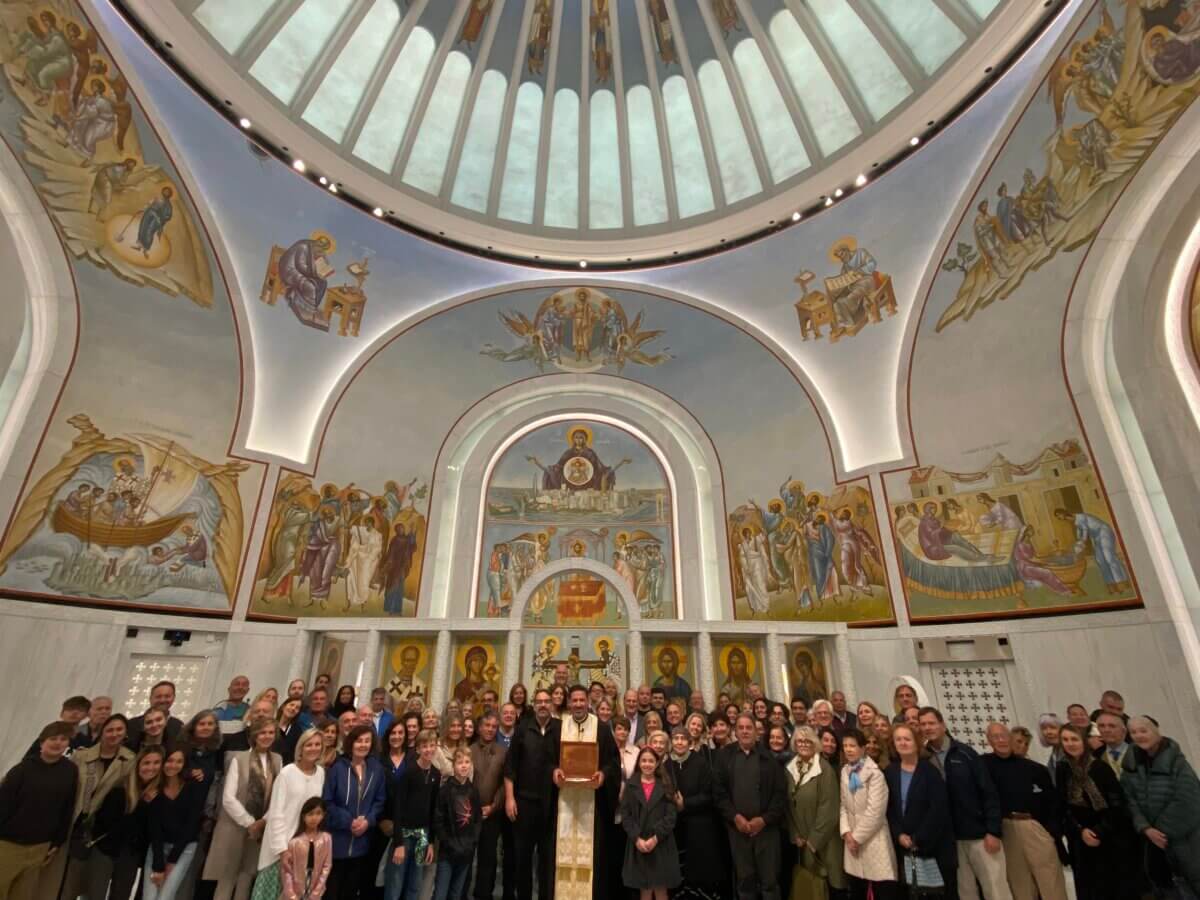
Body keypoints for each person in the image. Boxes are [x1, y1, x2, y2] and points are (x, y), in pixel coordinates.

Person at [916, 707, 1008, 900]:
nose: (927, 728)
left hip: (980, 836)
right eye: (923, 724)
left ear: (942, 725)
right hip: (951, 841)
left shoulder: (965, 753)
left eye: (931, 723)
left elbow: (988, 791)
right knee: (966, 893)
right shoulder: (923, 758)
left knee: (995, 890)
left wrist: (993, 831)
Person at [980, 722, 1066, 900]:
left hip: (1035, 827)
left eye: (1004, 736)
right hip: (1006, 829)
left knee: (1051, 883)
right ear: (988, 740)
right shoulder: (982, 766)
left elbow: (1053, 803)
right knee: (1020, 885)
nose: (1001, 740)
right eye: (995, 737)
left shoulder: (1036, 769)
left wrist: (1051, 832)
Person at [1054, 724, 1140, 900]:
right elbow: (1063, 805)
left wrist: (1099, 831)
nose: (1070, 744)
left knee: (1115, 888)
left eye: (1074, 739)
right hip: (1079, 837)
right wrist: (1080, 831)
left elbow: (1118, 806)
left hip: (1109, 835)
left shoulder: (1100, 767)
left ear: (1084, 741)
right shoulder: (1062, 768)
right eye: (1065, 740)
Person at [0, 722, 80, 900]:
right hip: (8, 844)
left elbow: (67, 807)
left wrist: (57, 841)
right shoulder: (22, 769)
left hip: (40, 846)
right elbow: (3, 805)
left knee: (23, 895)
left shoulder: (70, 771)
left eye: (63, 739)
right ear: (42, 742)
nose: (58, 743)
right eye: (53, 738)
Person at [204, 719, 282, 900]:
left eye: (271, 732)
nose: (267, 736)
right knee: (226, 878)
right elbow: (228, 798)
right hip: (235, 825)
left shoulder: (277, 760)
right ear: (254, 735)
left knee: (246, 878)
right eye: (262, 733)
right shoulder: (238, 758)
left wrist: (262, 822)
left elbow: (278, 795)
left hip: (260, 829)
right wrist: (250, 822)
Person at [1121, 715, 1200, 896]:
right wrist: (1145, 828)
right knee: (1169, 889)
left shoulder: (1177, 763)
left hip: (1188, 840)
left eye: (1143, 730)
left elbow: (1188, 799)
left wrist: (1160, 831)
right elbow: (1129, 800)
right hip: (1153, 843)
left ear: (1156, 731)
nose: (1139, 735)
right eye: (1134, 732)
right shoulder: (1130, 766)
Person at [713, 713, 787, 900]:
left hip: (766, 830)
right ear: (735, 732)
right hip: (737, 830)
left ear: (756, 732)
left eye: (749, 728)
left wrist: (763, 820)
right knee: (745, 883)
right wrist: (735, 818)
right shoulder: (724, 756)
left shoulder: (769, 758)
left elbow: (780, 794)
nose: (745, 731)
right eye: (741, 728)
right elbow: (719, 793)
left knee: (770, 883)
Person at [62, 713, 135, 899]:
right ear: (102, 732)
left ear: (125, 733)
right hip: (77, 825)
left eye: (119, 729)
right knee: (68, 885)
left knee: (95, 887)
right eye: (110, 730)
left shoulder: (129, 760)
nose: (114, 734)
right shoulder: (81, 755)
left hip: (103, 831)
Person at [252, 728, 326, 900]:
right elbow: (276, 813)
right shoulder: (287, 773)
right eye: (309, 744)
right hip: (281, 846)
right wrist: (282, 849)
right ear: (301, 748)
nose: (313, 748)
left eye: (317, 745)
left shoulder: (321, 773)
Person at [884, 724, 955, 895]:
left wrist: (918, 838)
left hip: (930, 846)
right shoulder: (890, 772)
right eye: (898, 739)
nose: (903, 743)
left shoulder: (930, 771)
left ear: (916, 743)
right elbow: (889, 809)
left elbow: (938, 809)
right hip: (902, 845)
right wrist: (899, 834)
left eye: (907, 739)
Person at [504, 688, 559, 900]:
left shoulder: (560, 729)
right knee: (523, 858)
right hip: (524, 803)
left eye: (547, 701)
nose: (543, 705)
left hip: (551, 804)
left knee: (547, 859)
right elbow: (510, 767)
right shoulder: (522, 729)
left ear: (551, 705)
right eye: (539, 701)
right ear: (534, 705)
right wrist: (510, 798)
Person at [89, 745, 163, 900]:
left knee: (121, 895)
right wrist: (144, 805)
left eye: (156, 763)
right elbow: (115, 826)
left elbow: (150, 830)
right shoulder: (120, 789)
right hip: (106, 849)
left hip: (130, 854)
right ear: (138, 765)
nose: (151, 767)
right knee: (94, 894)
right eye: (146, 763)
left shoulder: (158, 794)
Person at [323, 725, 386, 900]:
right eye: (359, 741)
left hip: (361, 844)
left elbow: (379, 801)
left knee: (350, 892)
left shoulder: (376, 769)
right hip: (337, 841)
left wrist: (368, 821)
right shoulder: (337, 768)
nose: (363, 745)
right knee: (332, 892)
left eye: (367, 741)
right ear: (351, 742)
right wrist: (348, 821)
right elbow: (327, 801)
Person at [667, 726, 727, 900]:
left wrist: (685, 803)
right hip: (675, 826)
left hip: (699, 826)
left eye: (683, 739)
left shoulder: (700, 763)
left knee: (700, 873)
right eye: (676, 738)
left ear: (689, 742)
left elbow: (709, 795)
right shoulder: (666, 765)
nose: (679, 742)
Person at [785, 725, 845, 900]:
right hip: (802, 840)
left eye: (808, 741)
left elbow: (829, 808)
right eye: (800, 741)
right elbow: (787, 806)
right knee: (811, 887)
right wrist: (795, 834)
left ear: (815, 744)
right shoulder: (789, 768)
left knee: (831, 884)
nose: (803, 744)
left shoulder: (824, 770)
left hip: (825, 839)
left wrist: (814, 840)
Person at [839, 729, 897, 899]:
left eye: (852, 746)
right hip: (851, 841)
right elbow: (843, 805)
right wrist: (846, 832)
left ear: (863, 748)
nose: (848, 749)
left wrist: (856, 838)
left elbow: (875, 812)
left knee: (880, 890)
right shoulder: (845, 771)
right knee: (857, 889)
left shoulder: (875, 773)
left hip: (873, 839)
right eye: (845, 746)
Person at [144, 745, 207, 900]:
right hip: (158, 846)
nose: (173, 765)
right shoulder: (154, 789)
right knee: (149, 896)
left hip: (184, 847)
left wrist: (172, 860)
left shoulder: (193, 785)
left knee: (166, 896)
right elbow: (154, 829)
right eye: (170, 760)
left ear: (185, 764)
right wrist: (159, 865)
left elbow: (191, 825)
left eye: (179, 761)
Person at [621, 746, 682, 900]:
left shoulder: (666, 784)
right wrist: (637, 838)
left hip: (661, 843)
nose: (647, 764)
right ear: (638, 763)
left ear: (657, 763)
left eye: (651, 761)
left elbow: (671, 816)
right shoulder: (631, 785)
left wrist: (655, 838)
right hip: (639, 843)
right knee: (645, 891)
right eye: (644, 761)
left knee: (661, 890)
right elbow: (626, 815)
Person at [385, 729, 440, 900]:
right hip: (404, 834)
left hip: (423, 835)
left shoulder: (436, 774)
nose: (428, 749)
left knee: (415, 882)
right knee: (396, 881)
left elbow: (433, 809)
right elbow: (398, 807)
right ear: (417, 749)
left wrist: (430, 842)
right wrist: (398, 843)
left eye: (432, 745)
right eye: (424, 746)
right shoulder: (408, 772)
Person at [471, 712, 512, 900]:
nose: (490, 729)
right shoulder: (469, 750)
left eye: (494, 726)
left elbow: (505, 783)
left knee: (488, 858)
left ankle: (484, 894)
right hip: (470, 814)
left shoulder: (503, 752)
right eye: (487, 725)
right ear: (480, 728)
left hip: (493, 814)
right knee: (466, 857)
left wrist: (493, 806)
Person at [433, 748, 481, 900]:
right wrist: (447, 842)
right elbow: (438, 820)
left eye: (467, 762)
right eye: (460, 762)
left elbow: (477, 819)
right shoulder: (445, 790)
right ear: (453, 765)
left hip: (466, 851)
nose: (464, 766)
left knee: (456, 893)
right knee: (441, 893)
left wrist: (472, 842)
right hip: (448, 852)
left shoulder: (473, 791)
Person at [282, 797, 332, 900]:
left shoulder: (326, 839)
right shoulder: (294, 842)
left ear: (323, 815)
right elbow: (287, 871)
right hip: (295, 893)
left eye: (318, 813)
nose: (314, 818)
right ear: (303, 816)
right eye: (310, 814)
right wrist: (291, 895)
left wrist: (315, 894)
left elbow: (326, 866)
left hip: (315, 892)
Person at [128, 681, 185, 746]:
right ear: (150, 699)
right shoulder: (131, 725)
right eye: (158, 696)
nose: (162, 700)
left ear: (173, 698)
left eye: (167, 696)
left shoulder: (179, 727)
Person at [1093, 712, 1130, 779]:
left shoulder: (1138, 752)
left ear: (1124, 730)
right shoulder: (1095, 755)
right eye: (1102, 726)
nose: (1106, 730)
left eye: (1112, 726)